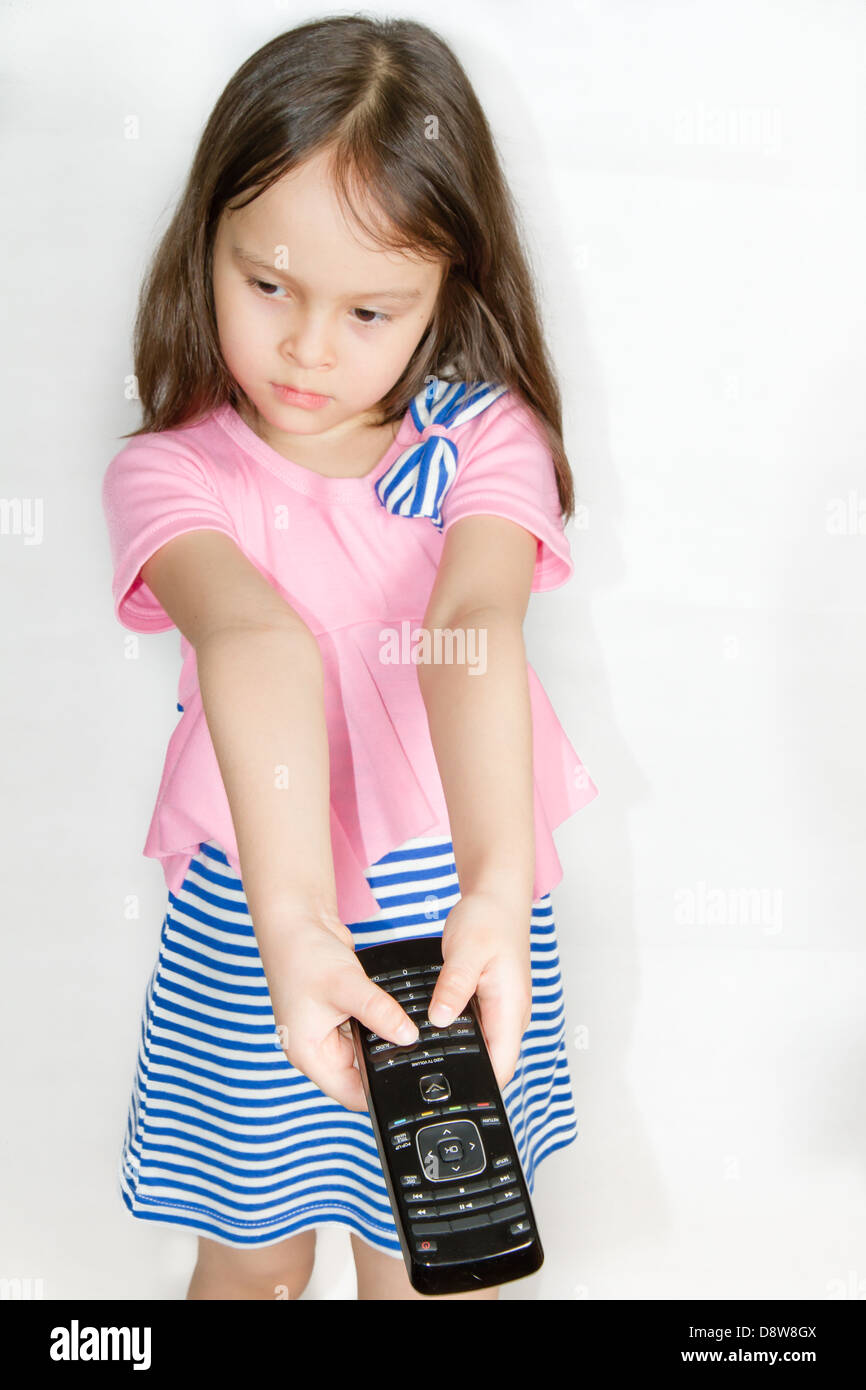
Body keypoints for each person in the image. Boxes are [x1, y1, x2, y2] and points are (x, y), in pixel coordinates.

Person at [101, 14, 599, 1301]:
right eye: (268, 285)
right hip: (253, 913)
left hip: (458, 903)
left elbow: (469, 626)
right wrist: (292, 927)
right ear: (206, 242)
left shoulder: (482, 437)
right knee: (251, 1255)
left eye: (370, 309)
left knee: (433, 1256)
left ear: (448, 290)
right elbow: (253, 637)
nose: (309, 348)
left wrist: (494, 886)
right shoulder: (170, 473)